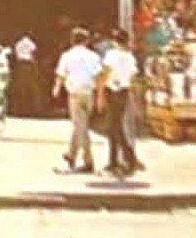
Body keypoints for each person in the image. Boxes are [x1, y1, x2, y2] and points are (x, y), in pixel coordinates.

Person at [53, 28, 102, 174]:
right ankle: (71, 154)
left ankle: (88, 161)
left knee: (81, 126)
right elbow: (99, 76)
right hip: (89, 93)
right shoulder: (93, 56)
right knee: (81, 124)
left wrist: (57, 88)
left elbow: (61, 74)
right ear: (86, 41)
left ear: (72, 40)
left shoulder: (67, 55)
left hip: (75, 93)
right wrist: (100, 95)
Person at [97, 29, 143, 176]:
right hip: (123, 91)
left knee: (114, 127)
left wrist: (100, 94)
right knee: (113, 126)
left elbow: (105, 74)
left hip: (112, 91)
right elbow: (133, 78)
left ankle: (129, 158)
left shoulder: (111, 55)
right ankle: (113, 161)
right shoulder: (130, 57)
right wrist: (136, 99)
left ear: (114, 41)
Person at [12, 32, 40, 116]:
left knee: (21, 88)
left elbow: (16, 55)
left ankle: (19, 109)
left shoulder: (18, 43)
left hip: (21, 65)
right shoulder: (31, 43)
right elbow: (33, 54)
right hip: (29, 65)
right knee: (32, 87)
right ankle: (33, 110)